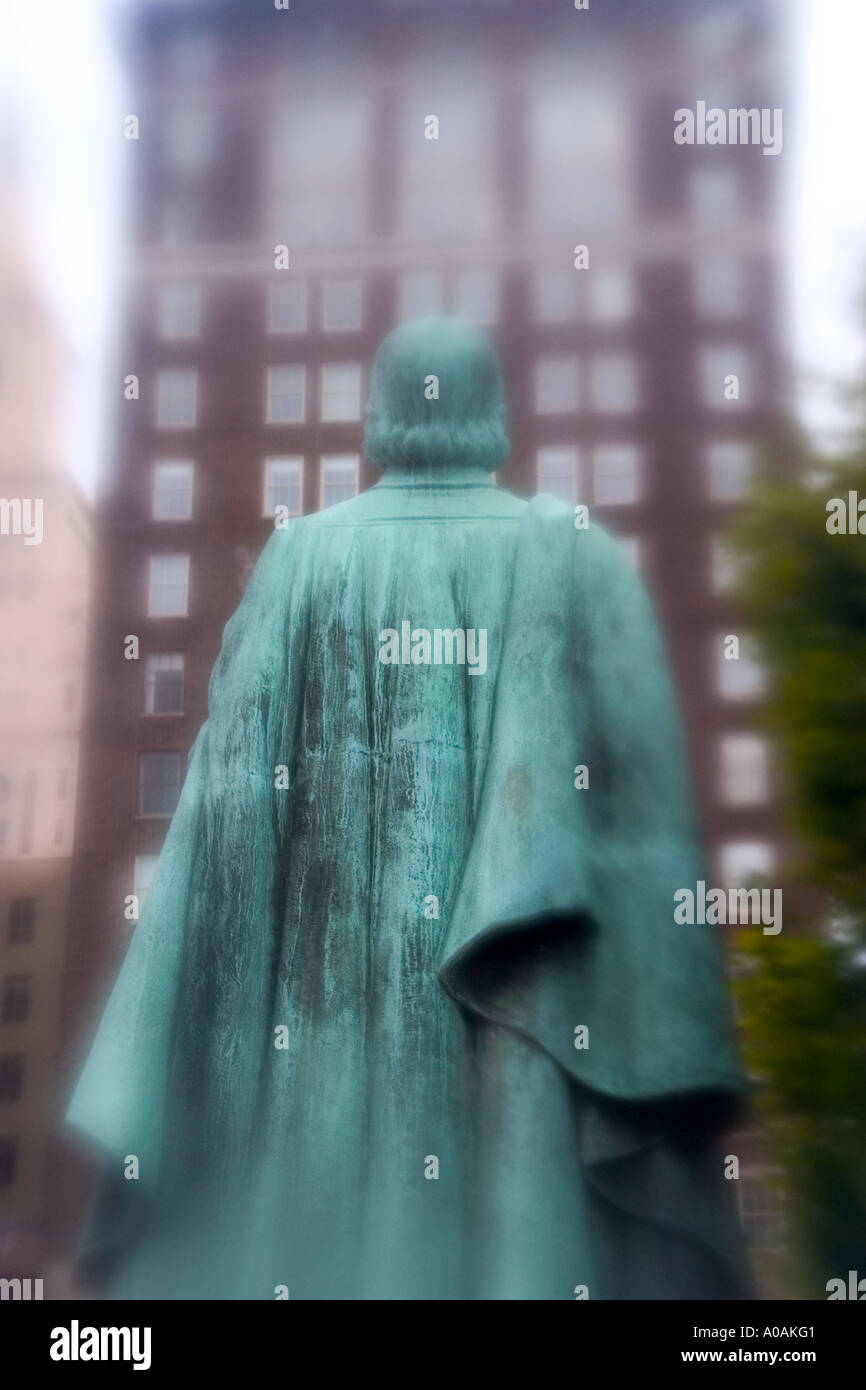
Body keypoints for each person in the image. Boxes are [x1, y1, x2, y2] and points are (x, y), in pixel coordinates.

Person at [68, 316, 749, 1300]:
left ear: (376, 419)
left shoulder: (297, 565)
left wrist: (179, 1095)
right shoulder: (580, 560)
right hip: (530, 1112)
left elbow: (218, 858)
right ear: (495, 415)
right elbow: (653, 863)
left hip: (318, 1103)